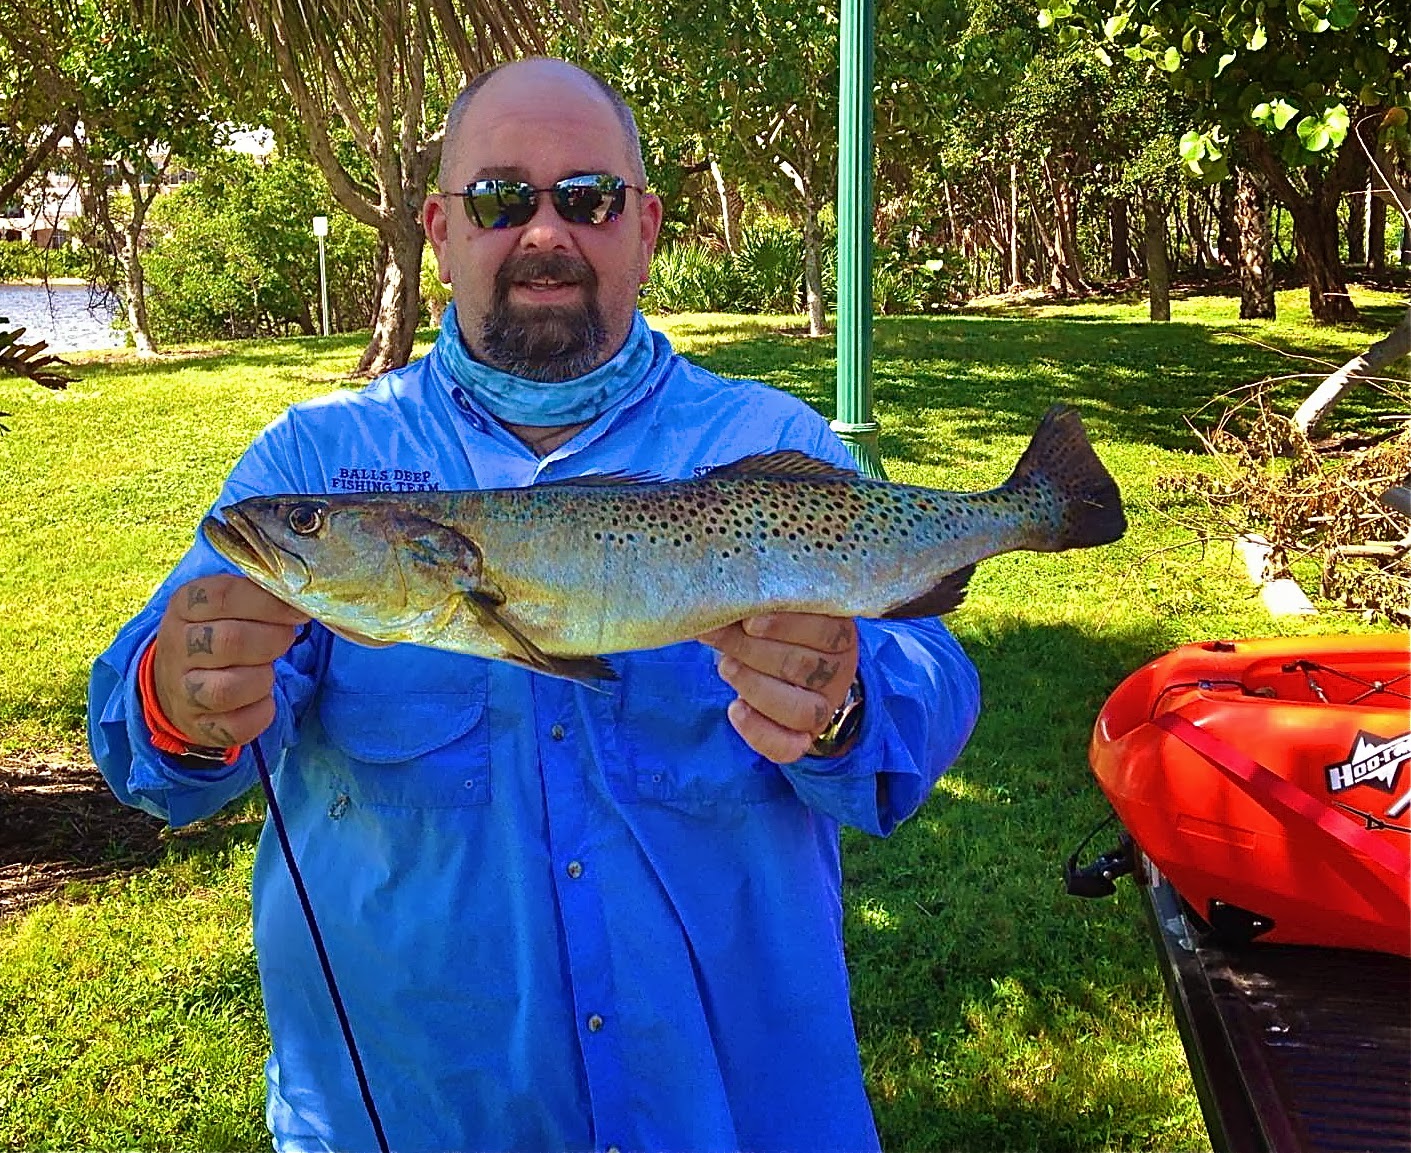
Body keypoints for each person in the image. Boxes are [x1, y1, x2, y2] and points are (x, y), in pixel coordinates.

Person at [90, 57, 981, 1153]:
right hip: (415, 1112)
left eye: (590, 198)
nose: (546, 232)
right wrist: (178, 697)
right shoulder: (317, 462)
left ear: (645, 226)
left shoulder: (766, 447)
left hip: (729, 1112)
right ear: (439, 228)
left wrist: (845, 704)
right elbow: (144, 752)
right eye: (502, 198)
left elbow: (930, 685)